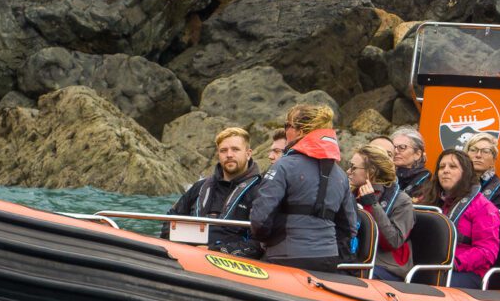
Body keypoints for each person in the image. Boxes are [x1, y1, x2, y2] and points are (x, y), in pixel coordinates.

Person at [249, 104, 357, 272]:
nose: (285, 131)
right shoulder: (341, 175)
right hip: (327, 258)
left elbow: (260, 219)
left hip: (285, 256)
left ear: (299, 131)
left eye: (287, 125)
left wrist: (267, 241)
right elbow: (349, 228)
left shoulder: (284, 166)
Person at [165, 127, 263, 257]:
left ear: (248, 153)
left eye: (235, 149)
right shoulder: (199, 187)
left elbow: (259, 243)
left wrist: (214, 250)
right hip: (185, 256)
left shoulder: (261, 192)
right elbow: (170, 220)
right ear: (218, 154)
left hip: (229, 262)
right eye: (223, 150)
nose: (229, 155)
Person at [418, 148, 500, 289]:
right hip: (428, 265)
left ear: (465, 173)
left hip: (466, 272)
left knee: (431, 282)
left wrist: (454, 262)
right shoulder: (428, 200)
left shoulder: (484, 207)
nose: (445, 171)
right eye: (441, 167)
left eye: (453, 166)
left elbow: (487, 251)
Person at [346, 143, 414, 277]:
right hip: (355, 257)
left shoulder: (402, 200)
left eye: (353, 167)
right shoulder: (351, 193)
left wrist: (372, 205)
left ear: (370, 172)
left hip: (387, 266)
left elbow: (393, 242)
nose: (348, 171)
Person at [465, 132, 500, 209]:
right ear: (465, 155)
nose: (478, 155)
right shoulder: (454, 184)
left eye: (485, 151)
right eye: (473, 150)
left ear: (493, 160)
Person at [389, 126, 432, 201]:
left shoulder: (426, 183)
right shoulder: (386, 176)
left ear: (417, 154)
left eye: (402, 147)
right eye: (393, 147)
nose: (395, 151)